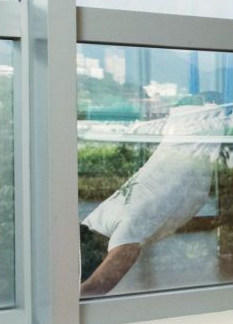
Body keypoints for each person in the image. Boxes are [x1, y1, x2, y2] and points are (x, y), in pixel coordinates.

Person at [80, 105, 221, 297]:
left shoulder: (127, 227)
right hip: (184, 126)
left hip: (205, 124)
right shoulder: (95, 220)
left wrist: (69, 305)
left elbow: (99, 285)